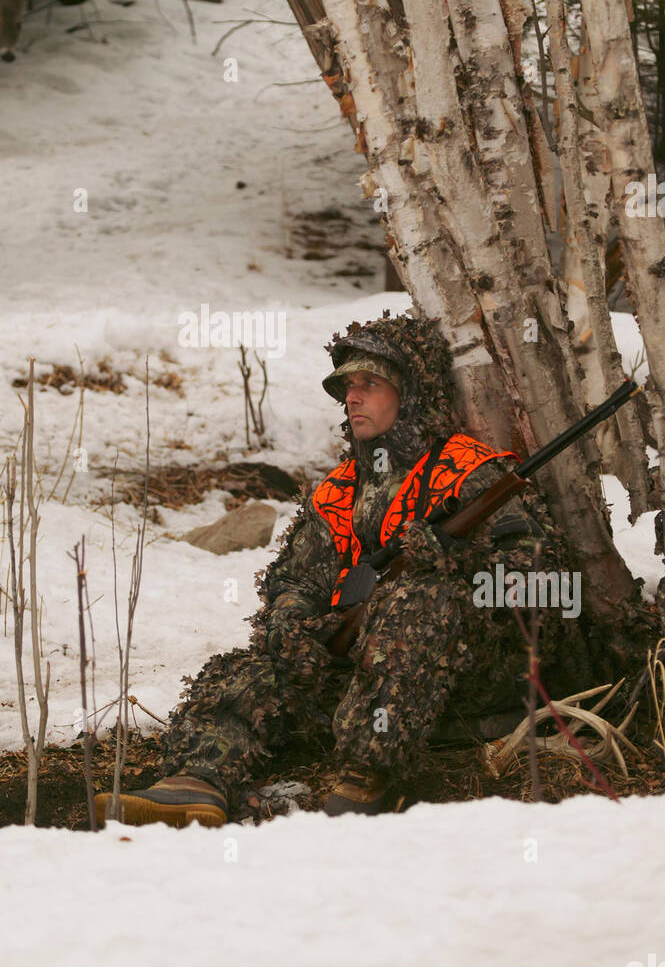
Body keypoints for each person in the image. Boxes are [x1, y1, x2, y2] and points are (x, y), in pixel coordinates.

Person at [95, 314, 594, 827]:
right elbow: (297, 581)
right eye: (348, 386)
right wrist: (292, 623)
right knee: (250, 666)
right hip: (361, 681)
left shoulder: (473, 475)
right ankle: (196, 782)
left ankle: (366, 778)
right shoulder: (338, 490)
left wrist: (452, 561)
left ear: (411, 392)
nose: (352, 397)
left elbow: (544, 584)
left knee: (417, 597)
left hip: (471, 681)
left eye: (370, 384)